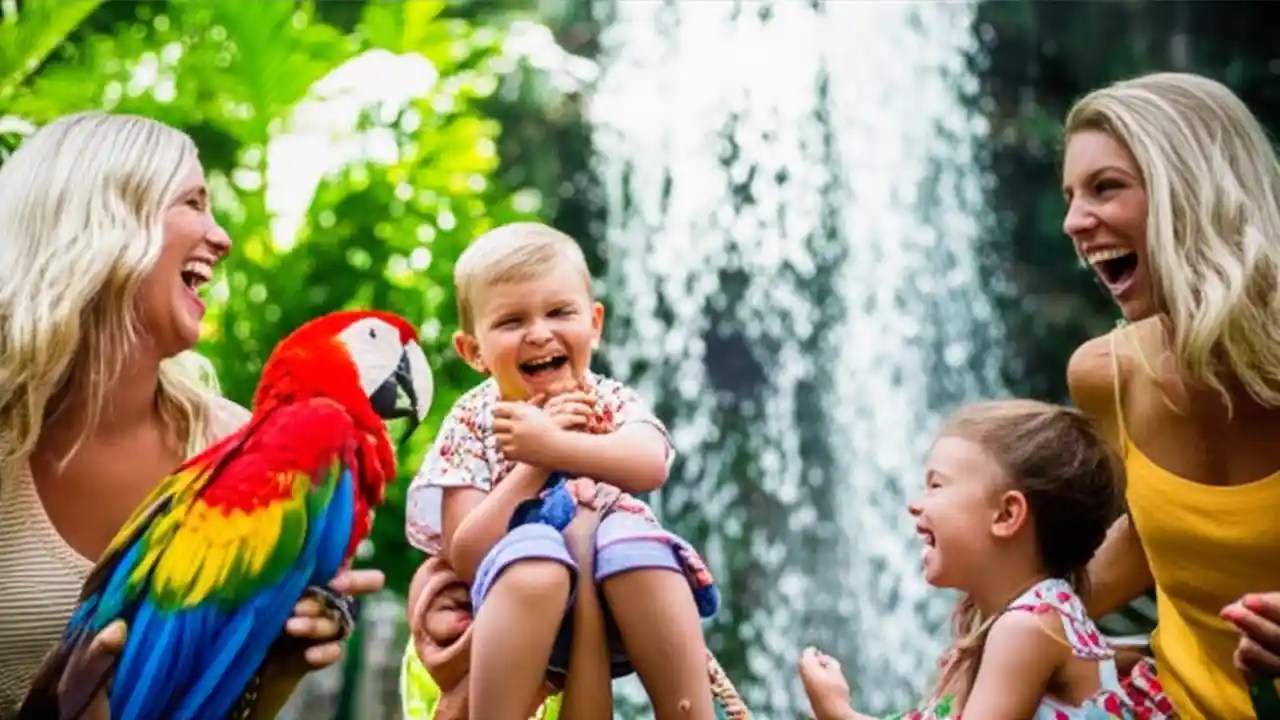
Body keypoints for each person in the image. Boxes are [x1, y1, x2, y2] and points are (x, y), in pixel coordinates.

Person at [0, 112, 381, 719]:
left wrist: (276, 662)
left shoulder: (238, 447)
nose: (222, 236)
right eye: (192, 202)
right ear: (104, 223)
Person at [403, 222, 718, 720]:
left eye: (559, 312)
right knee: (535, 558)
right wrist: (535, 460)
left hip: (612, 587)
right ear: (473, 351)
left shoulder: (607, 398)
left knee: (641, 550)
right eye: (511, 321)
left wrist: (560, 443)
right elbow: (466, 554)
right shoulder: (473, 419)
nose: (539, 333)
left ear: (594, 322)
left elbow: (649, 462)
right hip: (519, 602)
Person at [1063, 71, 1280, 718]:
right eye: (1070, 195)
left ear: (1193, 191)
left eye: (1106, 188)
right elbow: (1157, 529)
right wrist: (1018, 604)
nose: (1074, 220)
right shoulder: (1107, 376)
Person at [798, 400, 1130, 719]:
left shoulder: (1029, 628)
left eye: (936, 486)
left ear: (1005, 515)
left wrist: (839, 714)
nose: (914, 504)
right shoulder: (995, 619)